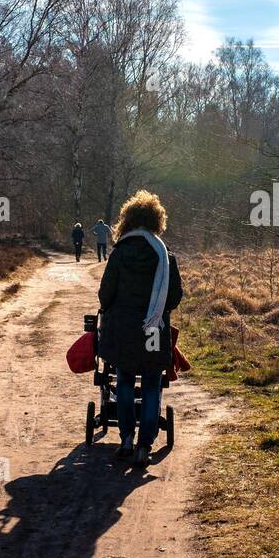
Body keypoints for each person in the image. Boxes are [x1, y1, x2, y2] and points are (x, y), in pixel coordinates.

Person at [97, 191, 182, 467]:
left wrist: (112, 308)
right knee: (151, 384)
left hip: (122, 330)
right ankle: (145, 446)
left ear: (128, 219)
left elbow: (105, 293)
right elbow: (174, 296)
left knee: (122, 381)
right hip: (153, 332)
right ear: (157, 220)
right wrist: (158, 310)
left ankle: (125, 439)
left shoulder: (120, 252)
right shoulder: (165, 255)